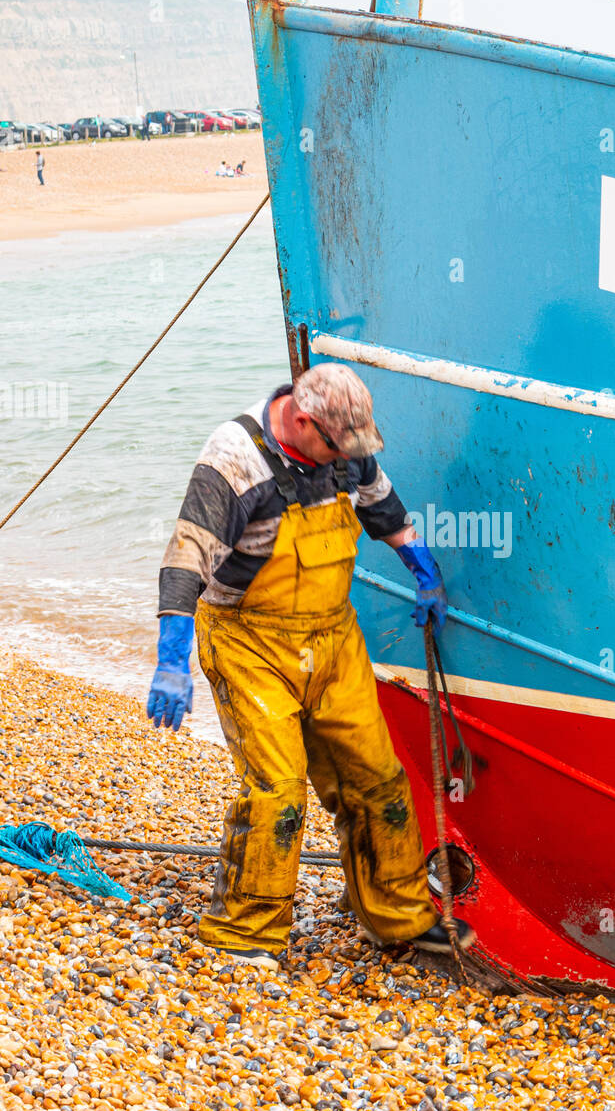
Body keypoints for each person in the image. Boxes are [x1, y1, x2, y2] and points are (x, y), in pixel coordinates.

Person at [146, 363, 473, 971]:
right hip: (249, 642)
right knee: (278, 789)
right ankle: (244, 932)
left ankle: (395, 916)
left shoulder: (345, 451)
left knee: (378, 777)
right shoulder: (233, 458)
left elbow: (387, 514)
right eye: (333, 448)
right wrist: (171, 660)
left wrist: (425, 574)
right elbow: (186, 556)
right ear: (302, 421)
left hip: (333, 637)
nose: (342, 461)